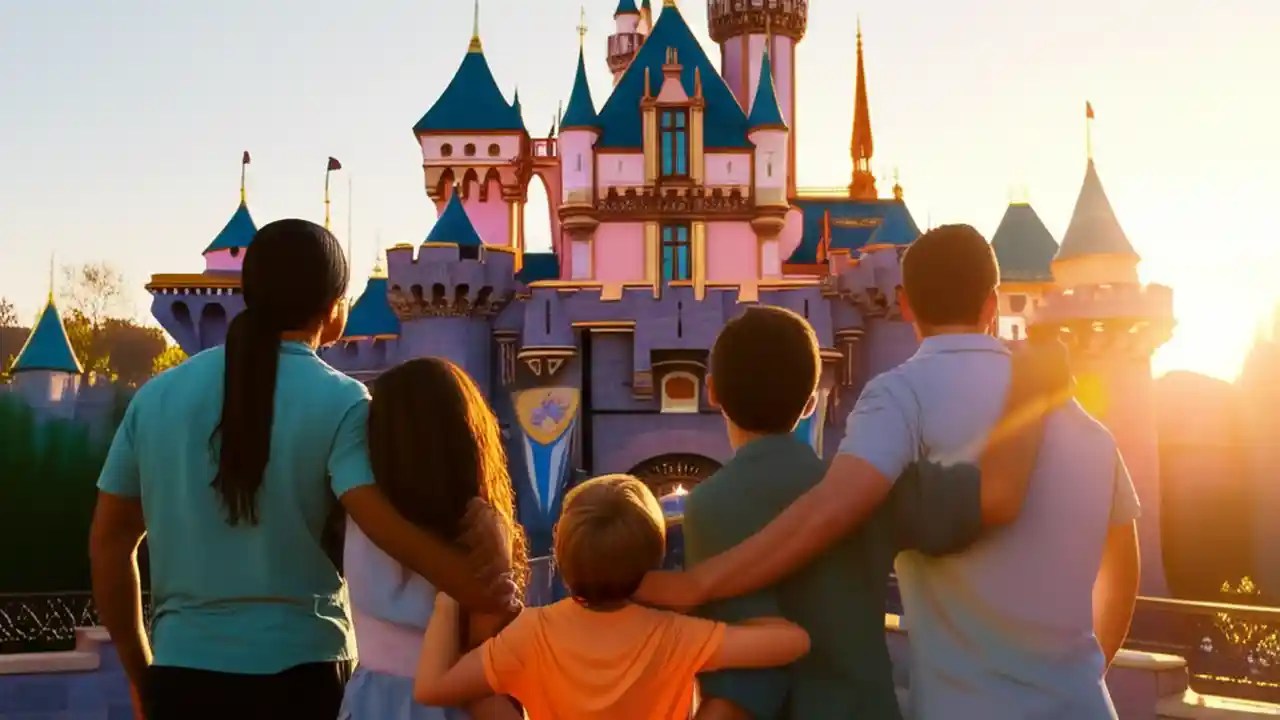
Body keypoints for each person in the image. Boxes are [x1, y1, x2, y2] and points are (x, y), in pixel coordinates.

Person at [640, 225, 1141, 720]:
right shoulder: (1084, 422)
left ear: (903, 303)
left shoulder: (898, 397)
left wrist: (699, 583)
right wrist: (1077, 678)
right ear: (992, 303)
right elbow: (1123, 568)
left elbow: (834, 507)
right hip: (1085, 705)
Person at [89, 220, 514, 720]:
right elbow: (384, 526)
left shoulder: (156, 398)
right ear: (334, 310)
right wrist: (478, 583)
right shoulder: (343, 400)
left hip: (182, 679)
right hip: (304, 680)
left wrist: (142, 676)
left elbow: (110, 544)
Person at [684, 305, 1065, 720]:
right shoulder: (870, 493)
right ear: (810, 403)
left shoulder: (709, 505)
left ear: (712, 391)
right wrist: (1032, 387)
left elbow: (742, 688)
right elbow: (996, 496)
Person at [413, 474, 811, 720]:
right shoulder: (673, 634)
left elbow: (431, 687)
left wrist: (449, 597)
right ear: (654, 555)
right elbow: (794, 642)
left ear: (562, 553)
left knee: (480, 696)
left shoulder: (532, 632)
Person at [341, 358, 525, 720]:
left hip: (373, 701)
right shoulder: (480, 527)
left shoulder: (361, 513)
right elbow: (485, 640)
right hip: (455, 701)